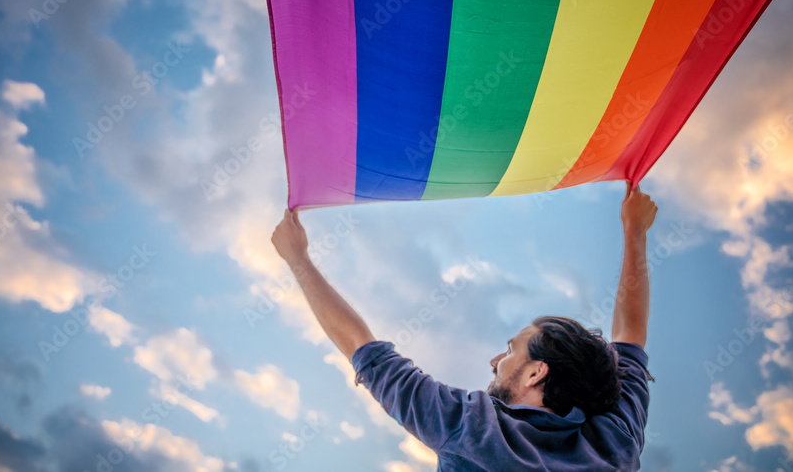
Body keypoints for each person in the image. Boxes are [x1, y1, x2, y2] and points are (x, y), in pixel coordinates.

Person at [270, 182, 658, 471]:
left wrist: (298, 259)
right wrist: (634, 231)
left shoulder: (472, 428)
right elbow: (631, 336)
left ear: (537, 373)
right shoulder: (614, 444)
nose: (495, 360)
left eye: (510, 350)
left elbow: (365, 350)